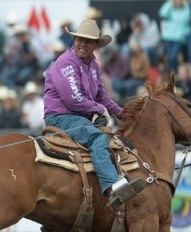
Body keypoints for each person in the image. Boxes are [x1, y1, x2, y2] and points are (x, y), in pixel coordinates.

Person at [43, 18, 146, 210]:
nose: (82, 43)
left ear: (95, 45)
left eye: (88, 41)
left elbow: (100, 95)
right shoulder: (66, 63)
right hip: (60, 117)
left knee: (110, 139)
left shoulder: (93, 66)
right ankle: (113, 189)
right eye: (79, 39)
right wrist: (99, 110)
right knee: (98, 138)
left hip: (78, 117)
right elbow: (73, 99)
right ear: (74, 40)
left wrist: (121, 113)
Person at [158, 0, 191, 70]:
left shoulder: (186, 9)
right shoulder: (171, 9)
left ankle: (177, 73)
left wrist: (184, 34)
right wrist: (170, 2)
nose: (177, 1)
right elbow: (162, 13)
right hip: (169, 37)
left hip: (179, 38)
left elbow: (187, 21)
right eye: (175, 0)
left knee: (173, 57)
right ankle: (174, 74)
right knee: (169, 58)